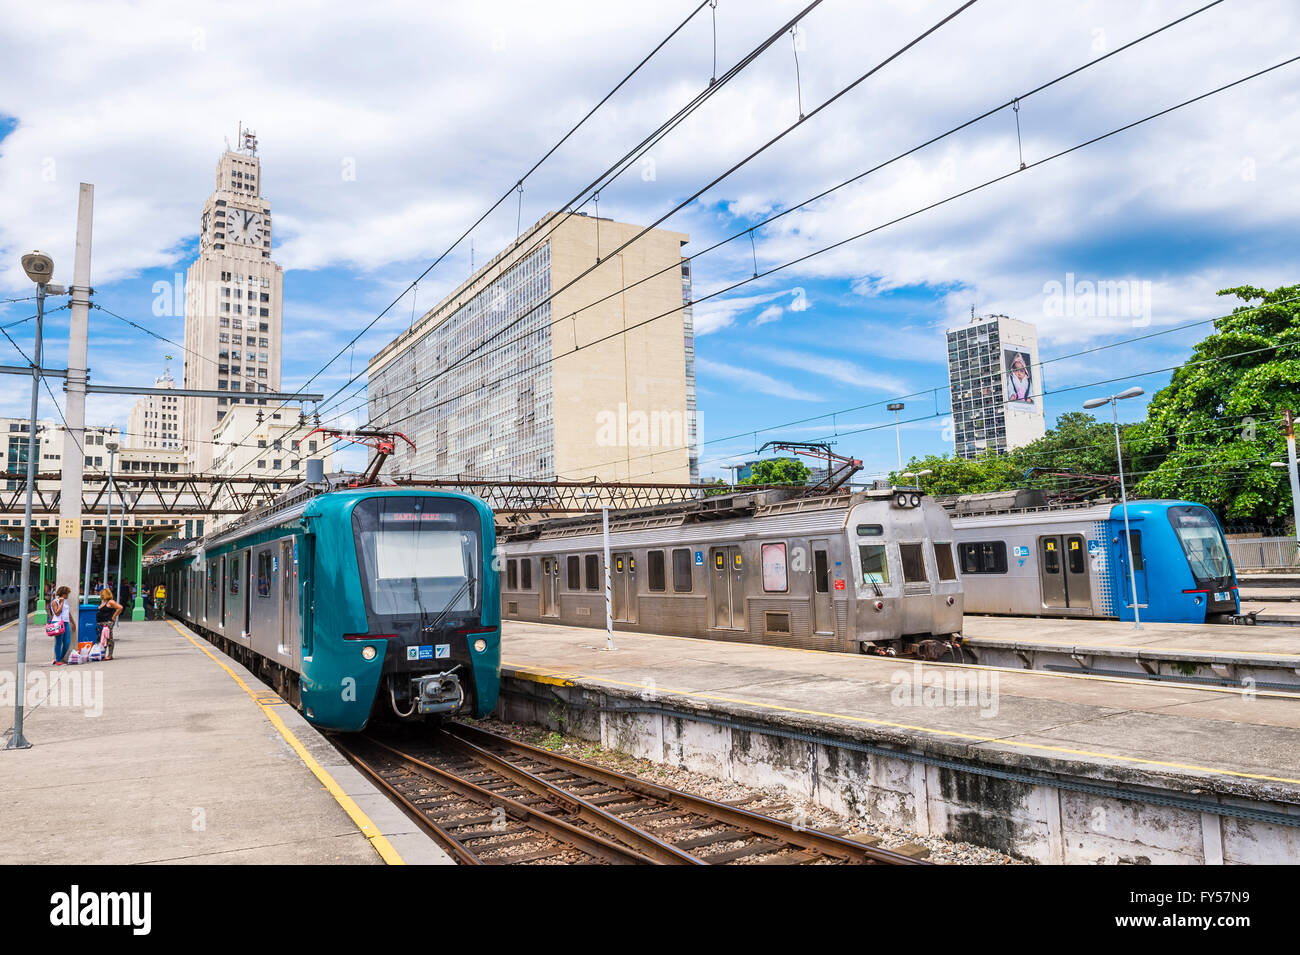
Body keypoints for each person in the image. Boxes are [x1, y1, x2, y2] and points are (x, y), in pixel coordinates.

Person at [49, 585, 74, 666]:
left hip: (66, 623)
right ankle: (58, 660)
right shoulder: (55, 602)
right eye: (67, 594)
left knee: (67, 642)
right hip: (58, 622)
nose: (67, 595)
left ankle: (58, 658)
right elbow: (57, 613)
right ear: (63, 594)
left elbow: (68, 613)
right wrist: (61, 603)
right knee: (59, 642)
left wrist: (73, 622)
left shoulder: (65, 601)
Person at [96, 586, 122, 661]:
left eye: (101, 594)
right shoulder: (103, 602)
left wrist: (114, 617)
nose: (100, 596)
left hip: (107, 622)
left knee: (109, 638)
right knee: (102, 638)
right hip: (101, 622)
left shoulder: (110, 602)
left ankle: (110, 655)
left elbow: (120, 607)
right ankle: (103, 653)